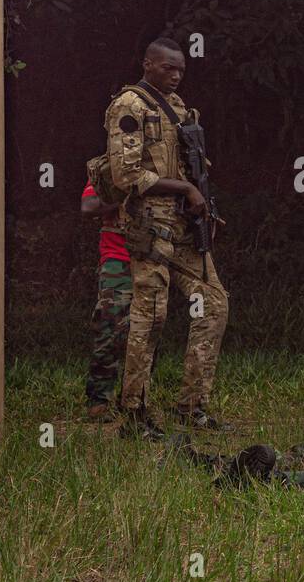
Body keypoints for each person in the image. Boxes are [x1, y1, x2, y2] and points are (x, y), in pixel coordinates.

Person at [104, 37, 230, 437]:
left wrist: (205, 204)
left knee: (213, 303)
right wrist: (183, 190)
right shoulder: (129, 105)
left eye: (180, 70)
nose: (175, 76)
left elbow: (194, 167)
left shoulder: (178, 109)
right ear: (147, 64)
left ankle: (192, 406)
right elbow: (125, 176)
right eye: (167, 68)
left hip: (183, 229)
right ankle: (134, 412)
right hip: (150, 226)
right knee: (151, 314)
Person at [80, 181, 132, 422]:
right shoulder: (114, 167)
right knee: (109, 328)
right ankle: (99, 400)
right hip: (117, 260)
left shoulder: (162, 166)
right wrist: (128, 195)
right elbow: (88, 206)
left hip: (153, 257)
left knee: (147, 330)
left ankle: (135, 399)